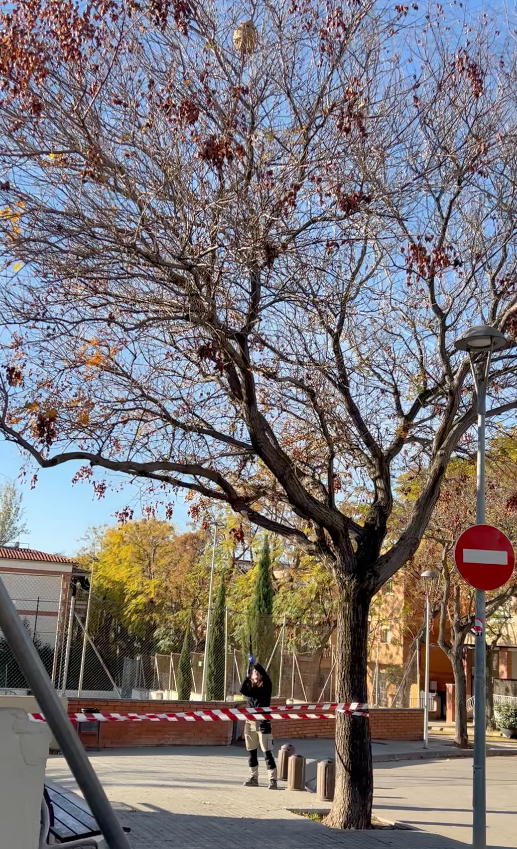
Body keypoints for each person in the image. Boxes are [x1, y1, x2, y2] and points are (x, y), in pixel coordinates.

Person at [240, 656, 277, 789]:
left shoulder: (265, 688)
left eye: (256, 672)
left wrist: (256, 664)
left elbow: (267, 678)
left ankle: (272, 779)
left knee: (267, 752)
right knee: (251, 752)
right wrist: (247, 672)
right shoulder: (249, 688)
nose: (254, 673)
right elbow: (242, 689)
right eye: (253, 672)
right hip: (250, 722)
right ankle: (253, 777)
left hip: (263, 723)